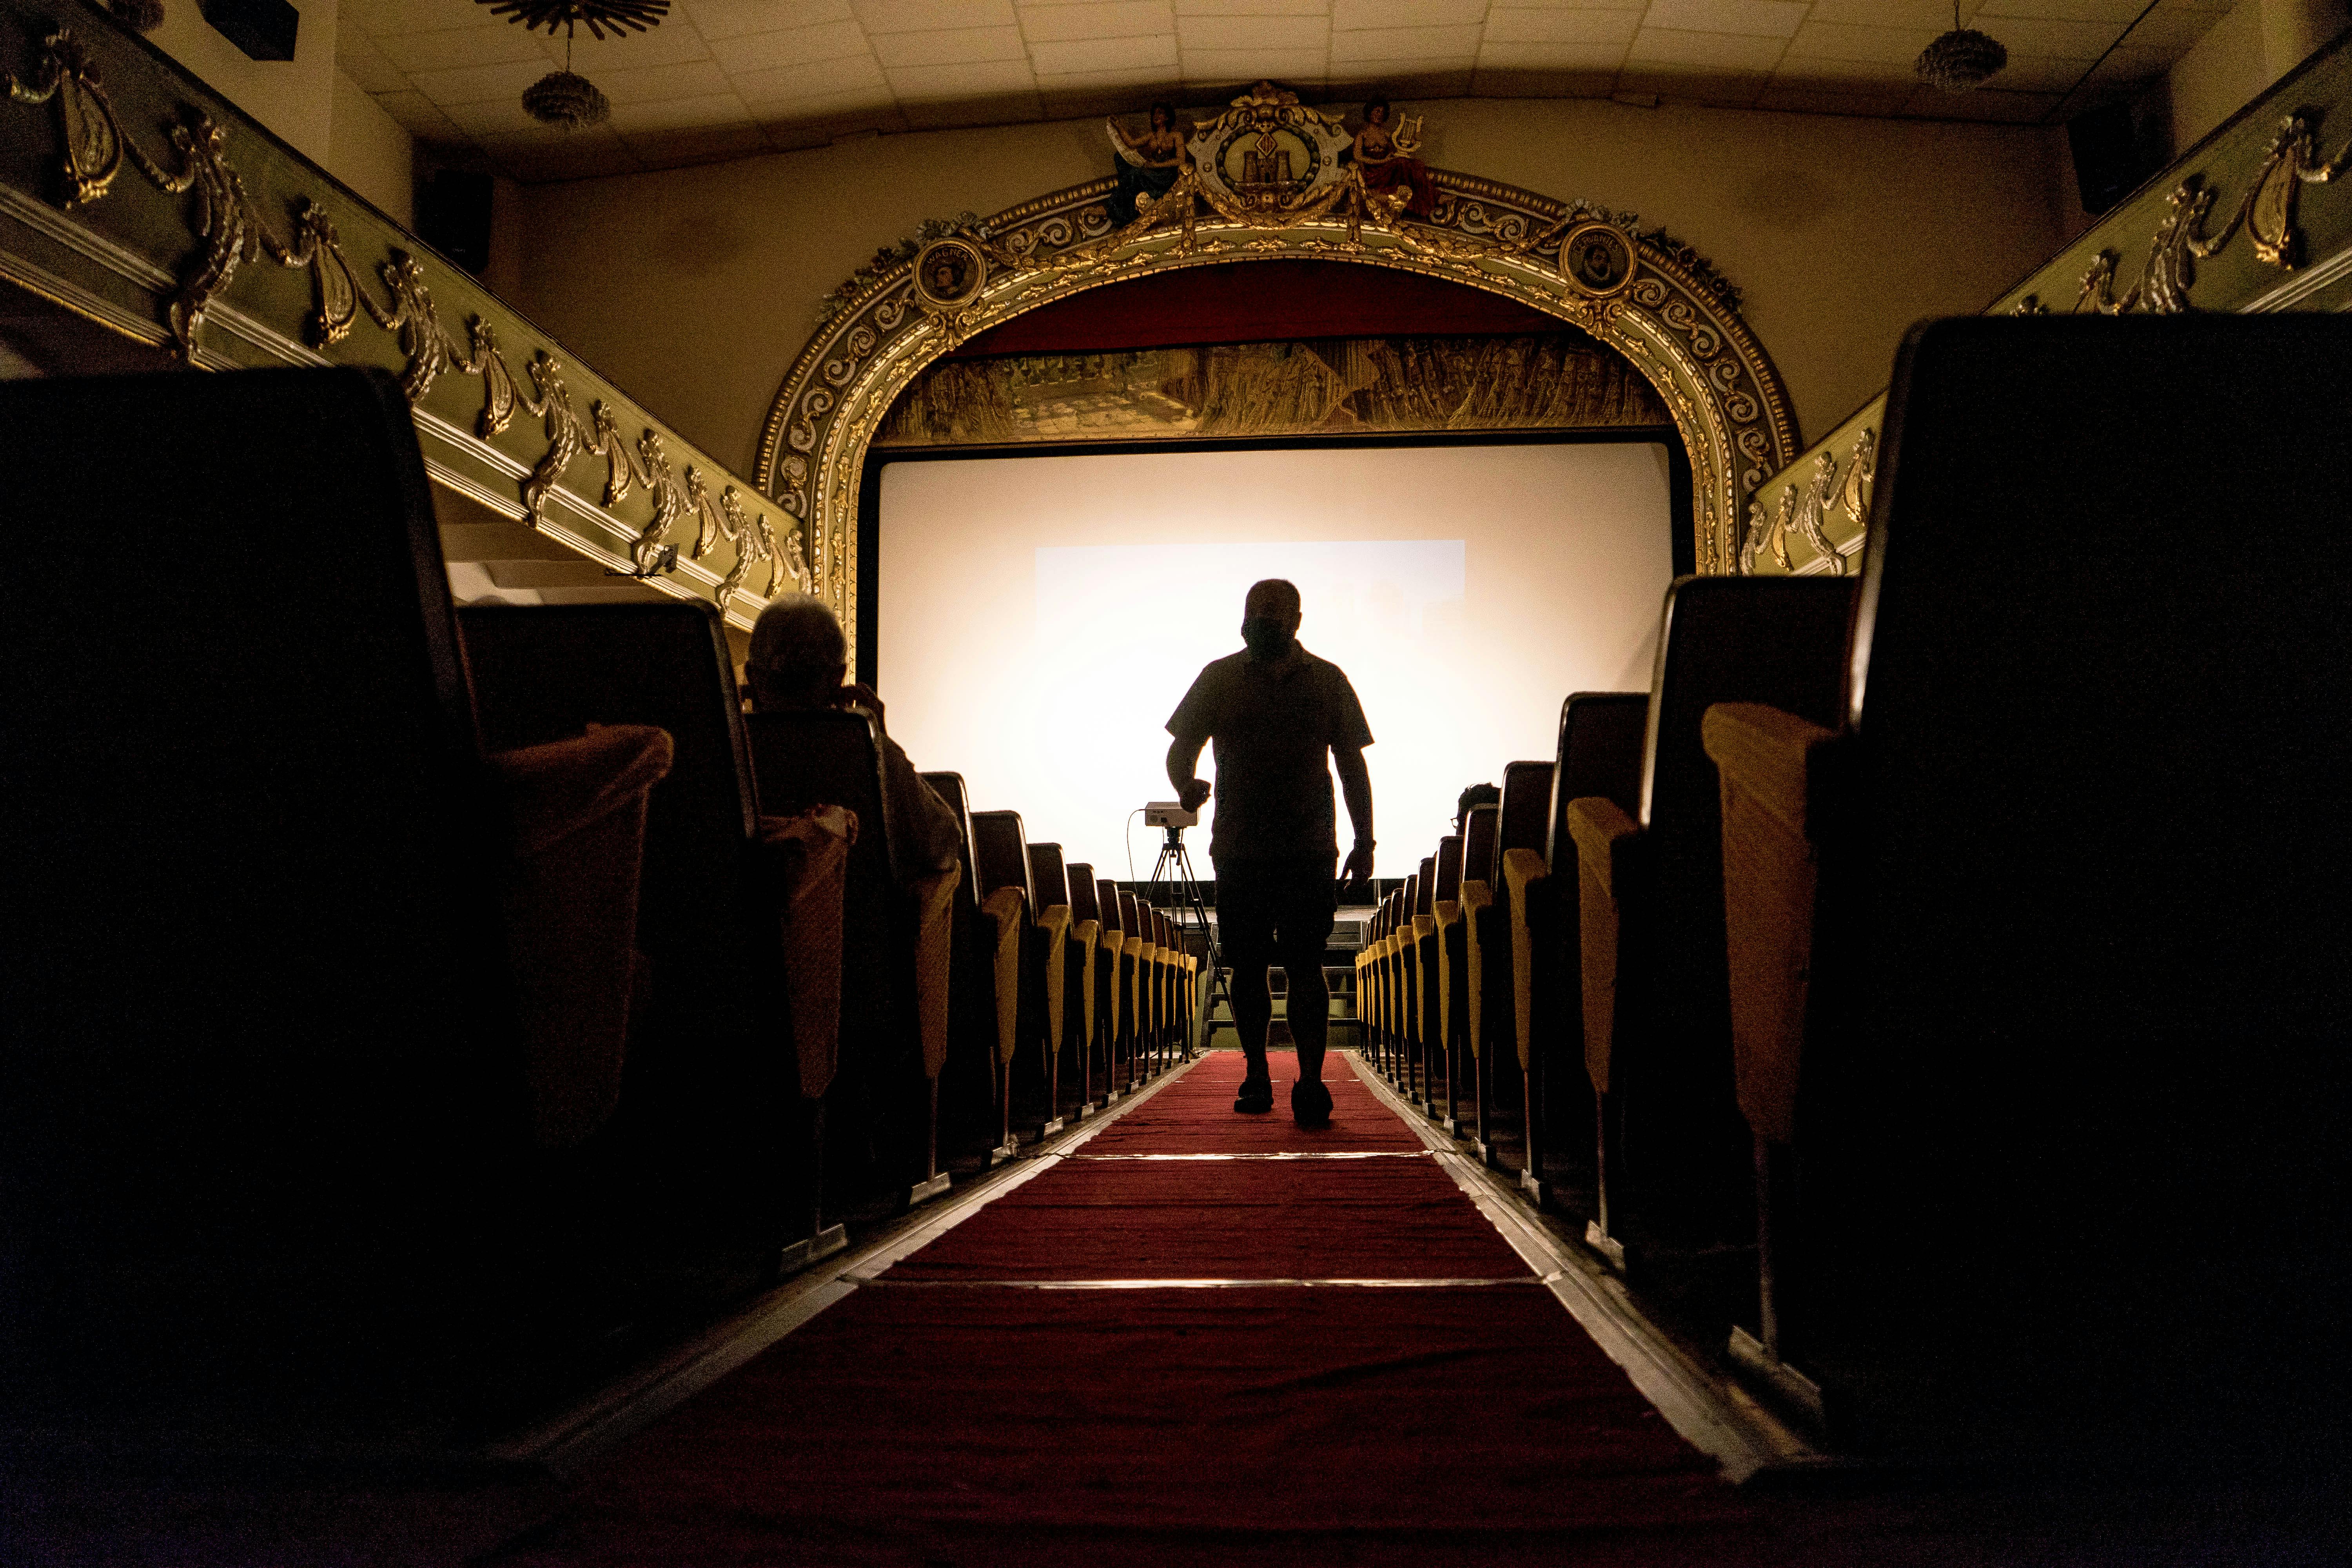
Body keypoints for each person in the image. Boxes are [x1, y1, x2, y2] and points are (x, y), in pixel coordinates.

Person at [1166, 580, 1374, 1126]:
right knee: (1248, 965)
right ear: (1241, 618)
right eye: (1254, 612)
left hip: (1308, 849)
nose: (1262, 620)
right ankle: (1257, 1073)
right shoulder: (1218, 677)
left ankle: (1310, 1080)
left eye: (1273, 613)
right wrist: (1184, 784)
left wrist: (1364, 841)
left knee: (1306, 965)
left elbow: (1353, 766)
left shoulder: (1328, 680)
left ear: (1298, 620)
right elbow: (1182, 746)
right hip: (1239, 850)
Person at [744, 594, 964, 886]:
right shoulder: (866, 751)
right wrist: (881, 744)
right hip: (855, 930)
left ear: (751, 676)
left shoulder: (720, 751)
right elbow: (944, 844)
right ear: (839, 678)